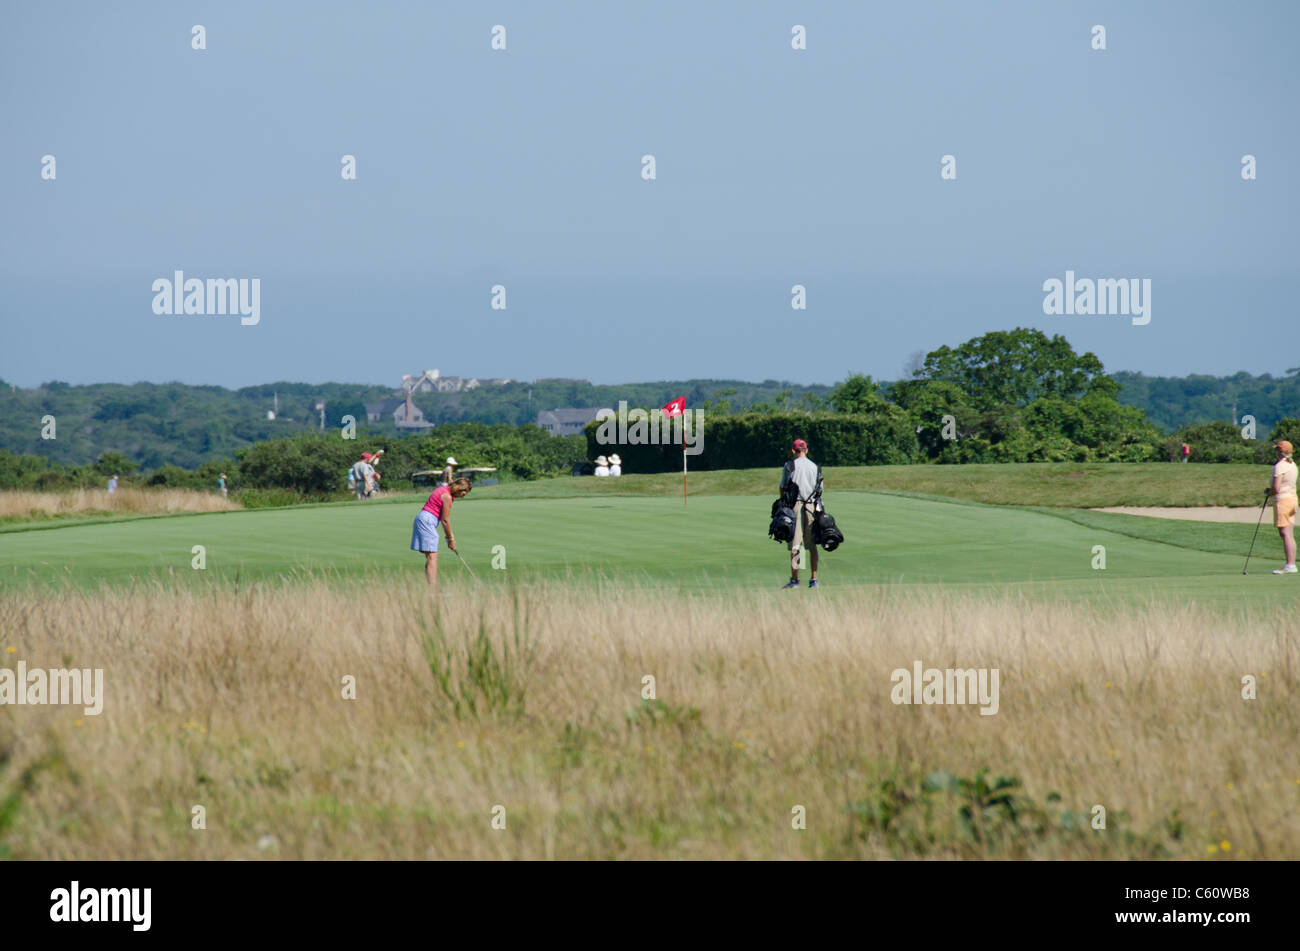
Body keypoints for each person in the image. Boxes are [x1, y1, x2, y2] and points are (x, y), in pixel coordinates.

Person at [411, 476, 472, 586]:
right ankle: (433, 590)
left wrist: (449, 536)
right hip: (427, 520)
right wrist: (451, 539)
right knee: (432, 557)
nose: (463, 495)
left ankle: (431, 587)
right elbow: (445, 520)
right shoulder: (447, 496)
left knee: (431, 557)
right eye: (463, 492)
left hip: (423, 518)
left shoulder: (444, 489)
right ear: (458, 488)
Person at [779, 439, 821, 589]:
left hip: (795, 506)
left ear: (793, 451)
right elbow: (819, 490)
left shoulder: (789, 465)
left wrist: (783, 505)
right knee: (812, 544)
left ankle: (796, 580)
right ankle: (813, 580)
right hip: (811, 506)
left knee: (796, 545)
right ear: (806, 450)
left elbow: (782, 487)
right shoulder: (815, 467)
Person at [1270, 440, 1298, 574]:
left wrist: (1267, 492)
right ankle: (1291, 564)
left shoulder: (1280, 466)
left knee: (1286, 533)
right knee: (1288, 533)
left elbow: (1276, 488)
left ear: (1280, 452)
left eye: (1277, 450)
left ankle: (1290, 565)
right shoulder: (1293, 465)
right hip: (1292, 500)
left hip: (1283, 501)